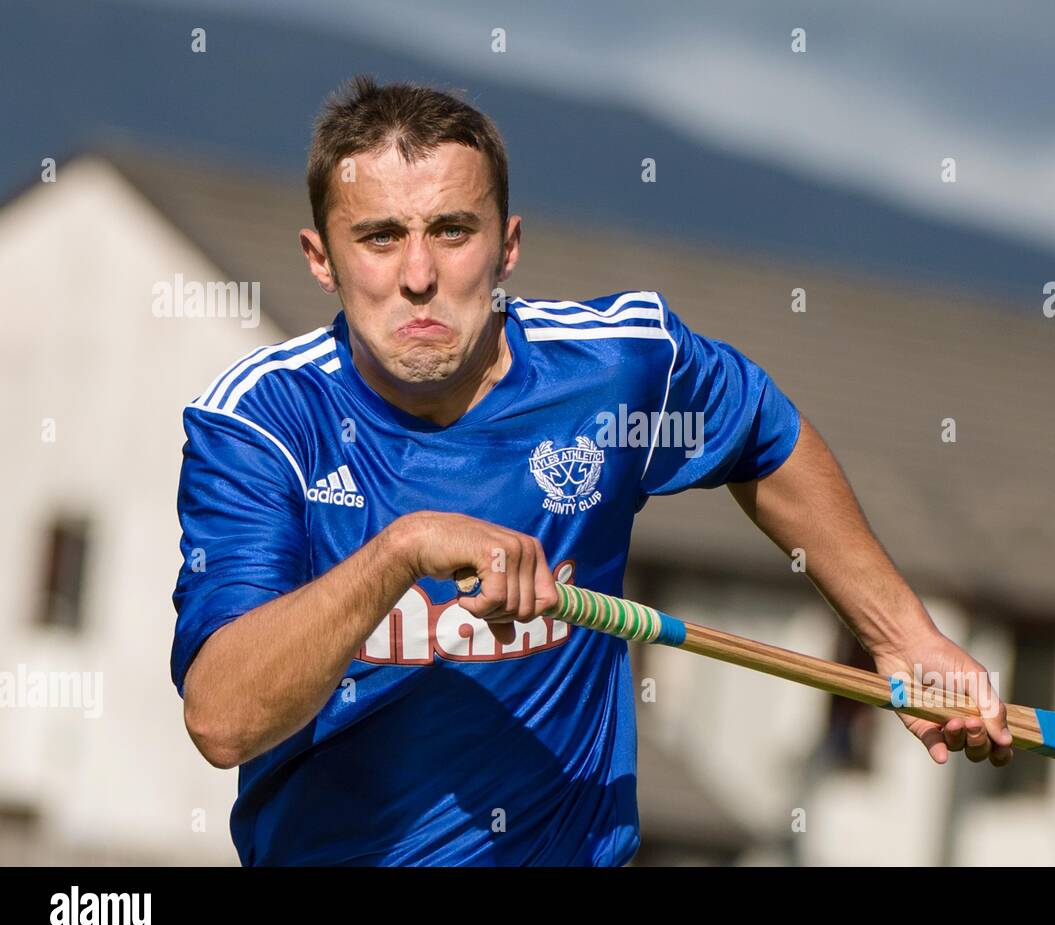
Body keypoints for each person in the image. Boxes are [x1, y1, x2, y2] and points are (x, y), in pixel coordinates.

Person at [171, 75, 1012, 866]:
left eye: (453, 231)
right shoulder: (260, 424)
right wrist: (405, 550)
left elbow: (764, 434)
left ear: (508, 246)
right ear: (322, 259)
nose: (418, 276)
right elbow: (221, 719)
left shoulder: (618, 369)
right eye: (380, 238)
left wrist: (902, 639)